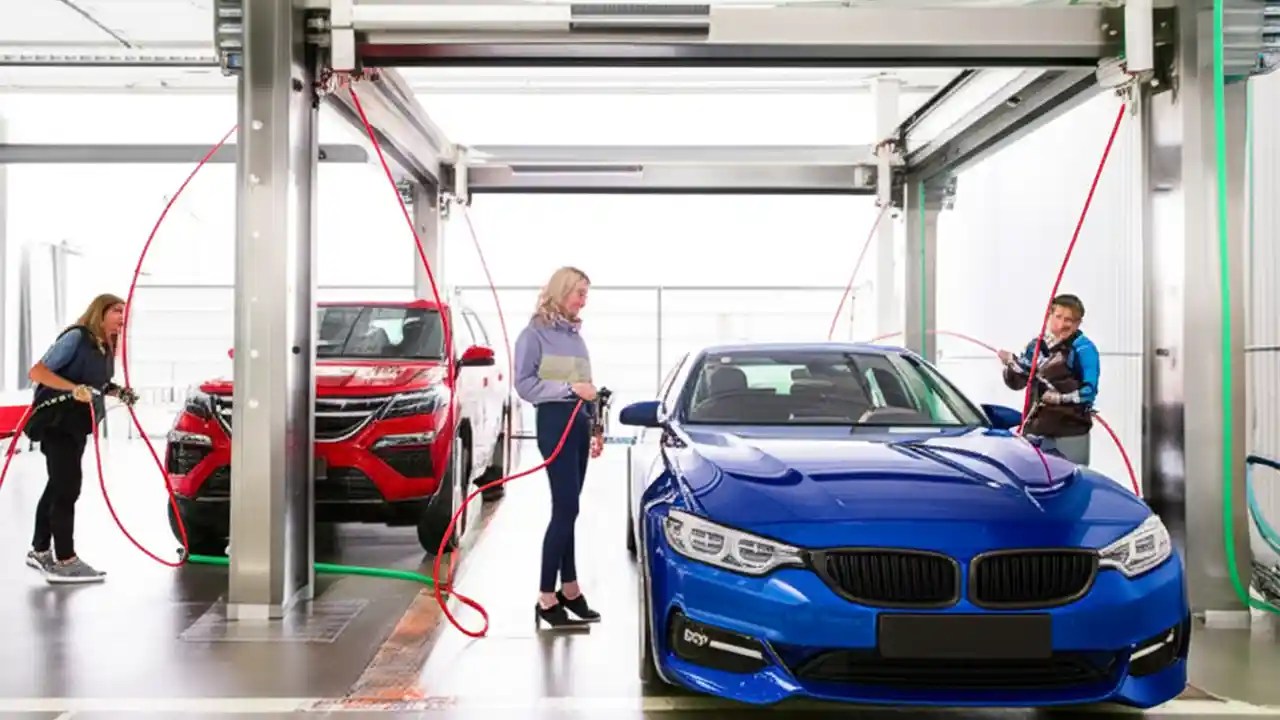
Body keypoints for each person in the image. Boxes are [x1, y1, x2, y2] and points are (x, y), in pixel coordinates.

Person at [23, 293, 137, 584]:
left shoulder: (105, 347)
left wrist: (117, 391)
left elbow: (96, 383)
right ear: (99, 313)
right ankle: (65, 559)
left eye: (124, 312)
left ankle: (39, 550)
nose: (122, 317)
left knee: (58, 485)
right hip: (56, 422)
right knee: (67, 487)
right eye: (116, 311)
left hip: (77, 424)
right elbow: (37, 372)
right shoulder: (77, 338)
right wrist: (72, 389)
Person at [514, 266, 604, 629]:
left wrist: (596, 426)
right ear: (561, 291)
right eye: (579, 293)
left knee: (571, 508)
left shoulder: (575, 338)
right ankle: (546, 597)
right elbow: (524, 385)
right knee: (565, 508)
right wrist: (568, 392)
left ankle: (570, 590)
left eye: (586, 294)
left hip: (580, 425)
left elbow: (588, 385)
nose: (584, 301)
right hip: (554, 424)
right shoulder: (533, 335)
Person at [998, 293, 1099, 466]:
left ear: (1078, 323)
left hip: (1070, 434)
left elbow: (1089, 391)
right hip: (1036, 431)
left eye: (1069, 320)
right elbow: (1018, 381)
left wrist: (1060, 398)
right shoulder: (1037, 346)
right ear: (1048, 317)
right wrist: (1011, 363)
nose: (1062, 324)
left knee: (1071, 483)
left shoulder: (1084, 349)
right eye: (1058, 317)